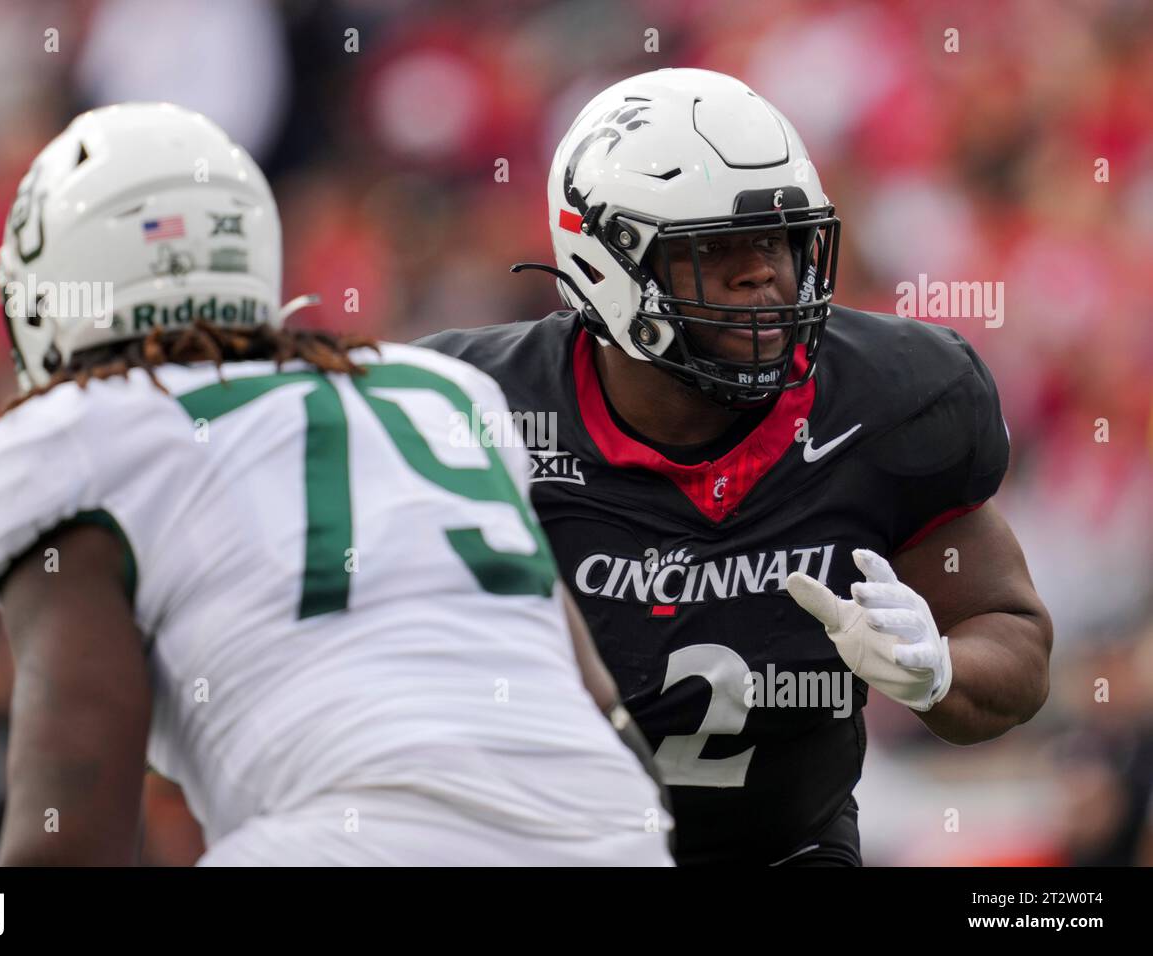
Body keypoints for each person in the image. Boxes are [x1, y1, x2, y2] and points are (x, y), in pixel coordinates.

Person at [0, 103, 673, 866]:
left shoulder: (73, 436)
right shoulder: (436, 391)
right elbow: (605, 716)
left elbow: (69, 842)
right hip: (609, 834)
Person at [418, 69, 1052, 866]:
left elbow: (1016, 645)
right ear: (606, 263)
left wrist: (938, 671)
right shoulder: (469, 413)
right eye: (715, 249)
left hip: (788, 851)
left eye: (780, 239)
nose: (765, 273)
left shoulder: (890, 401)